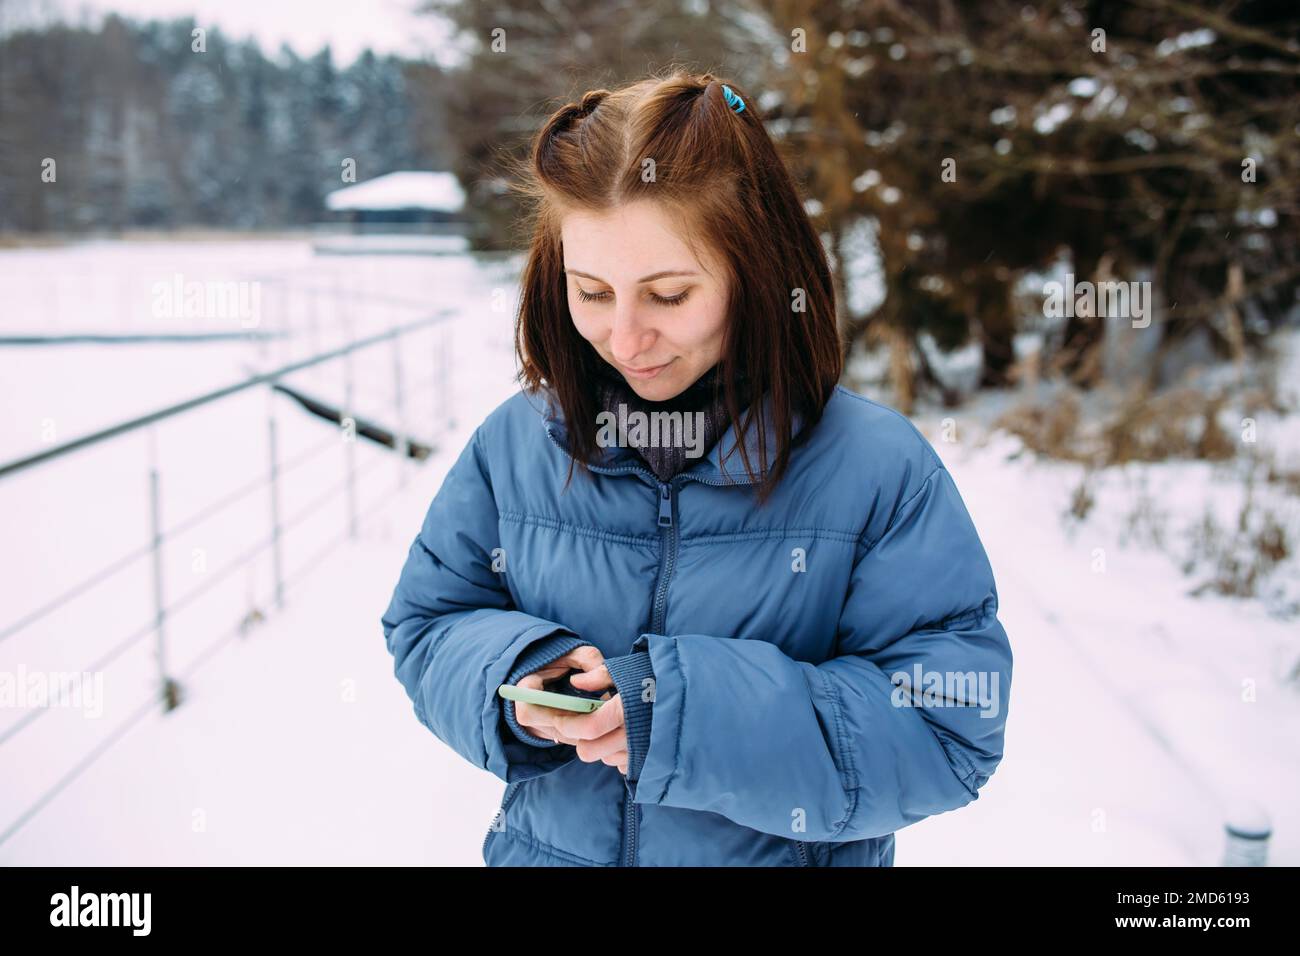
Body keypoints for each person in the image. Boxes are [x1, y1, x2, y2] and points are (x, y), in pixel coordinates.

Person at [380, 70, 1013, 867]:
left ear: (756, 272)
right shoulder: (514, 444)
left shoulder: (878, 470)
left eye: (670, 295)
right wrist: (516, 672)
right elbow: (428, 623)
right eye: (592, 292)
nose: (624, 336)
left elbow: (948, 722)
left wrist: (678, 713)